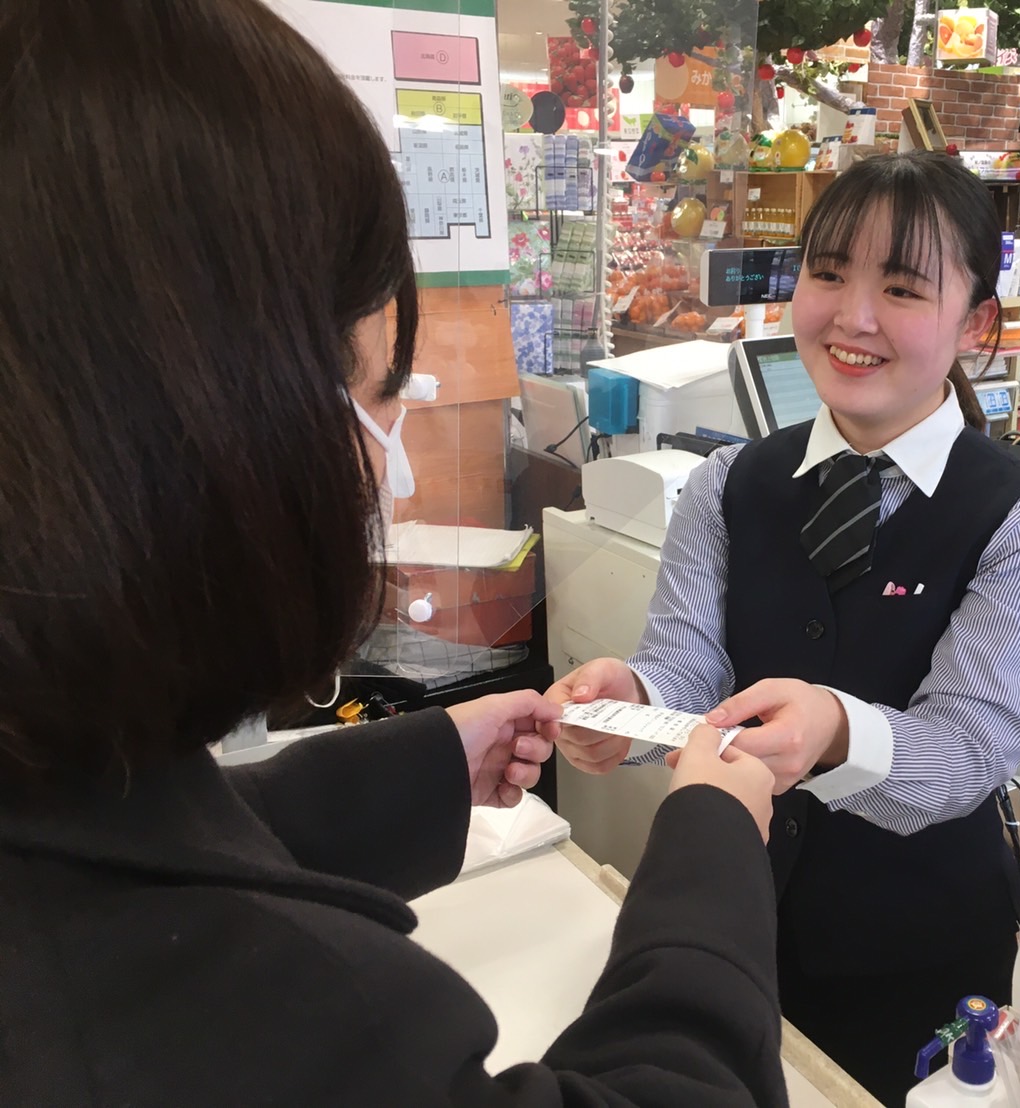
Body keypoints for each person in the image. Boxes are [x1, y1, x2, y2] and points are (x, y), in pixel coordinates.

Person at [0, 2, 784, 1104]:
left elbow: (140, 829)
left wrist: (426, 766)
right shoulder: (279, 1012)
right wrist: (709, 838)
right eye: (376, 404)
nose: (391, 474)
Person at [548, 152, 1020, 1106]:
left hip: (916, 958)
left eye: (904, 287)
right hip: (728, 924)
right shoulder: (730, 484)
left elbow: (969, 750)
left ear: (977, 324)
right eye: (829, 273)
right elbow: (686, 661)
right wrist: (628, 702)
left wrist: (833, 727)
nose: (853, 316)